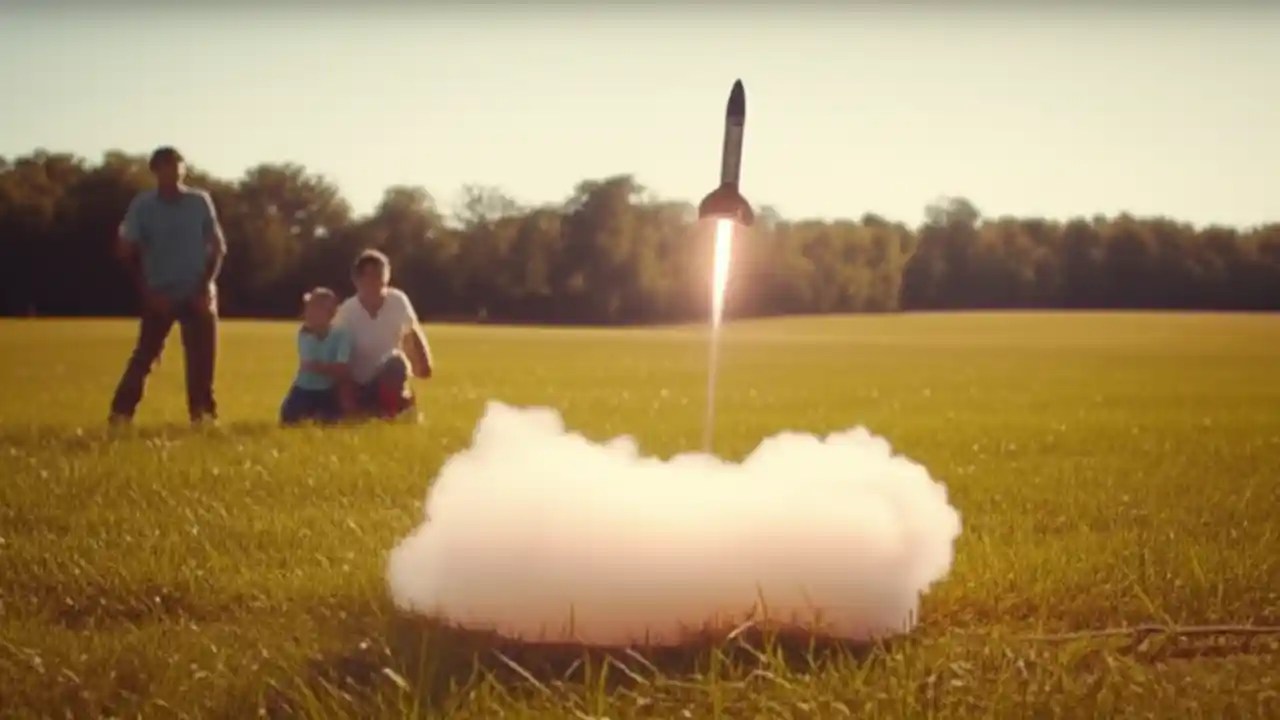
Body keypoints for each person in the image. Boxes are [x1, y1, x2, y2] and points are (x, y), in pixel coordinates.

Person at [108, 146, 226, 426]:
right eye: (166, 167)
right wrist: (148, 293)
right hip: (160, 293)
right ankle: (121, 413)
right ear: (155, 171)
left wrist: (205, 288)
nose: (173, 172)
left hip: (197, 292)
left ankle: (203, 415)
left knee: (202, 361)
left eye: (177, 166)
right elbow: (125, 251)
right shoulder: (143, 206)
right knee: (144, 356)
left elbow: (217, 247)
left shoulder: (200, 201)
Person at [333, 249, 433, 419]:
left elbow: (411, 332)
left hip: (388, 376)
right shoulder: (346, 312)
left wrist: (424, 365)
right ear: (357, 280)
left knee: (396, 362)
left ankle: (390, 410)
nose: (375, 281)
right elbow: (339, 360)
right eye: (368, 276)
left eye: (380, 275)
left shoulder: (398, 300)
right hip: (357, 383)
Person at [279, 287, 352, 425]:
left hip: (329, 389)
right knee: (289, 418)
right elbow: (309, 364)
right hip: (304, 388)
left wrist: (322, 368)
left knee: (333, 421)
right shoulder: (304, 333)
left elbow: (341, 369)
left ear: (330, 314)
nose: (309, 313)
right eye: (309, 308)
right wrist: (328, 368)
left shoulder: (341, 335)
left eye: (315, 309)